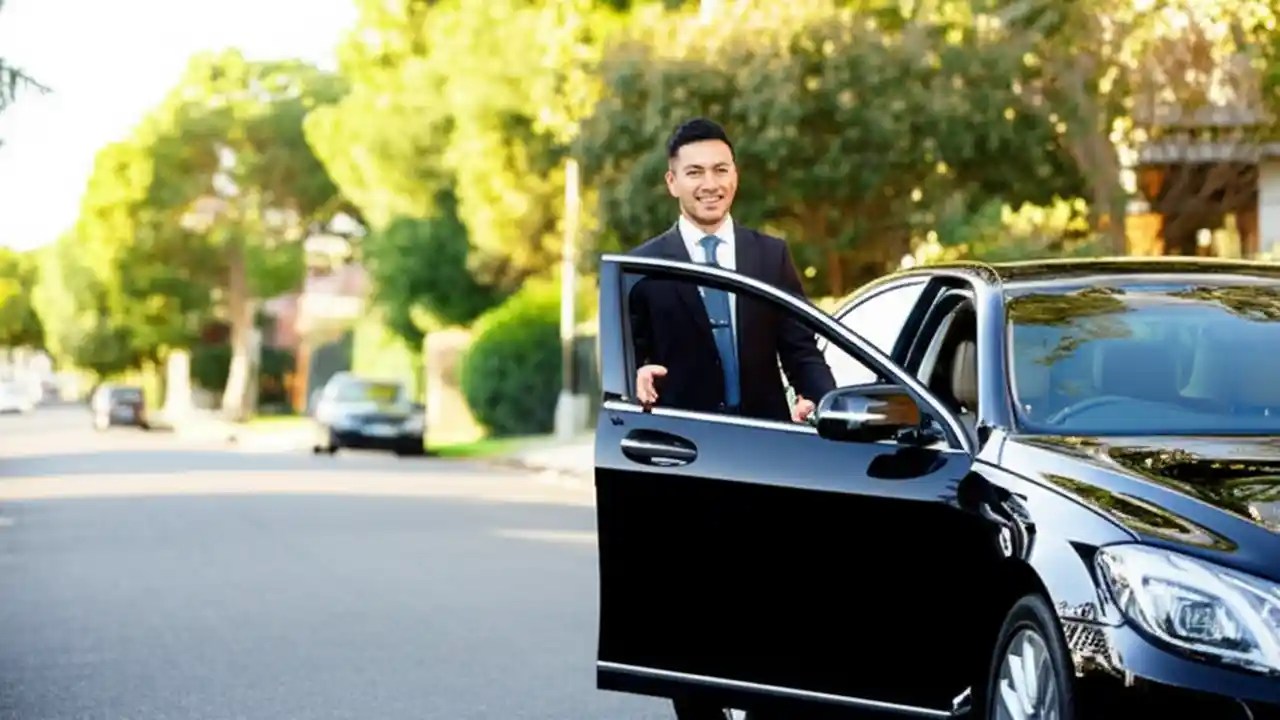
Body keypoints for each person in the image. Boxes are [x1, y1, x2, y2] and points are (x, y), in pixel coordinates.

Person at [627, 117, 835, 425]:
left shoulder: (770, 256)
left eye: (720, 170)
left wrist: (830, 406)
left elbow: (801, 351)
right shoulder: (642, 267)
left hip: (765, 443)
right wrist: (635, 376)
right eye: (694, 173)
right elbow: (624, 363)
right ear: (672, 182)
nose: (710, 184)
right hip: (683, 447)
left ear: (735, 175)